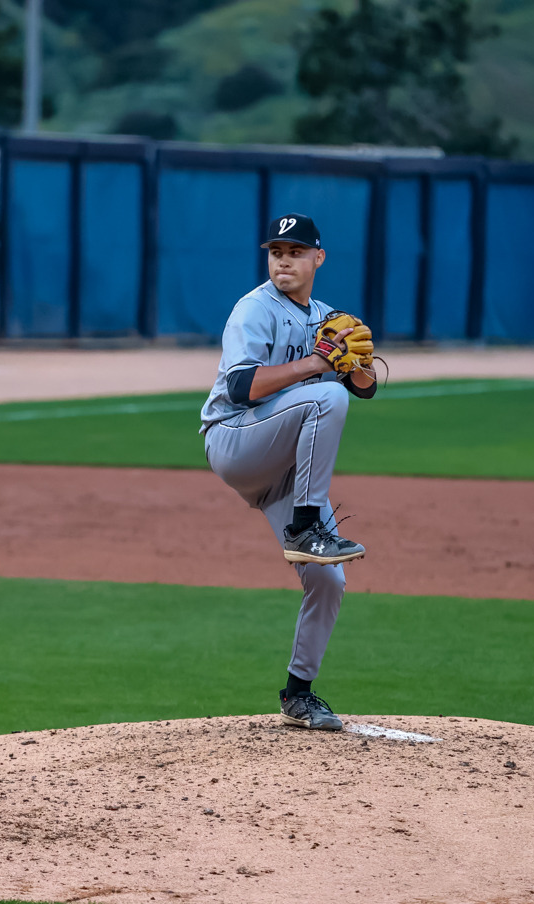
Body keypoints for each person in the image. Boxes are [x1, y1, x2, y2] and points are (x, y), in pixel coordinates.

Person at [200, 213, 379, 731]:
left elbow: (365, 388)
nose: (284, 261)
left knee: (329, 579)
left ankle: (298, 694)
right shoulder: (253, 309)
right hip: (235, 439)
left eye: (296, 252)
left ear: (318, 258)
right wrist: (320, 365)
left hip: (283, 467)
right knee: (324, 397)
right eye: (277, 252)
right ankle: (306, 526)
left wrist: (356, 364)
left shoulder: (327, 318)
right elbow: (239, 388)